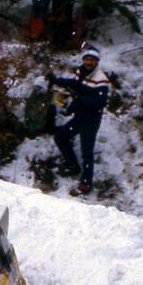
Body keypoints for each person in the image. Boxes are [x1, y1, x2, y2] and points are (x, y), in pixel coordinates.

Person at [49, 46, 112, 197]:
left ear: (97, 62)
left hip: (91, 119)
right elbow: (74, 84)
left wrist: (80, 99)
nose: (89, 62)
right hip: (79, 116)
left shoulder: (101, 79)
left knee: (87, 151)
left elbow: (100, 103)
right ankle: (73, 166)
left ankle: (86, 182)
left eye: (92, 60)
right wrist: (57, 80)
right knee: (60, 137)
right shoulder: (81, 72)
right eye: (87, 59)